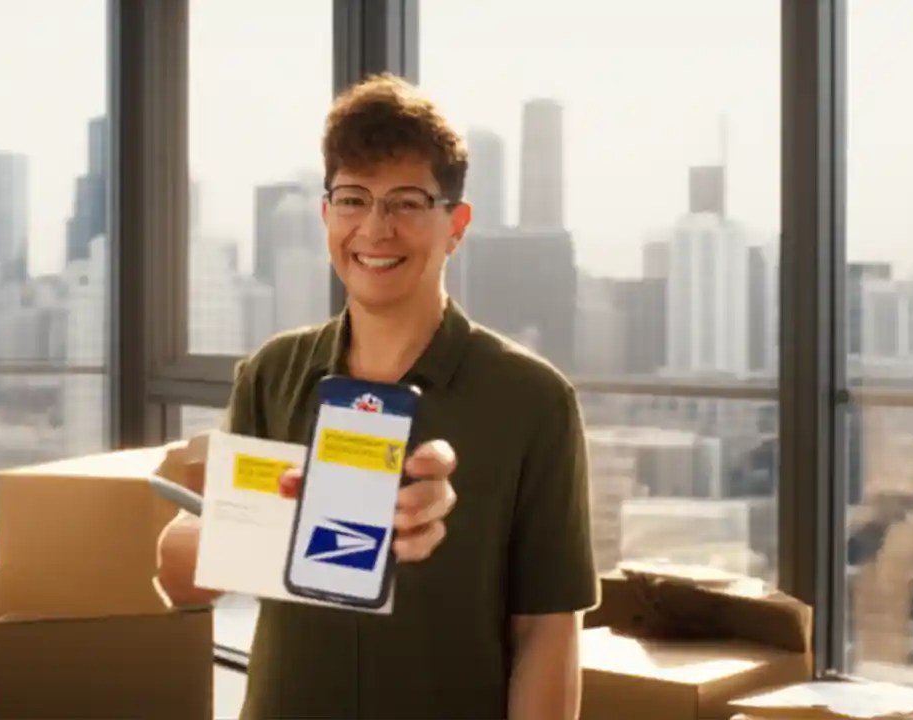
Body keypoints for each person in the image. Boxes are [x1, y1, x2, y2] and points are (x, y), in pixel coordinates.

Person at [156, 73, 598, 720]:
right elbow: (182, 580)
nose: (375, 228)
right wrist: (271, 519)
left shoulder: (533, 400)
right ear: (326, 215)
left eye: (407, 203)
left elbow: (547, 630)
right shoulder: (273, 373)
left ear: (456, 225)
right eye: (353, 199)